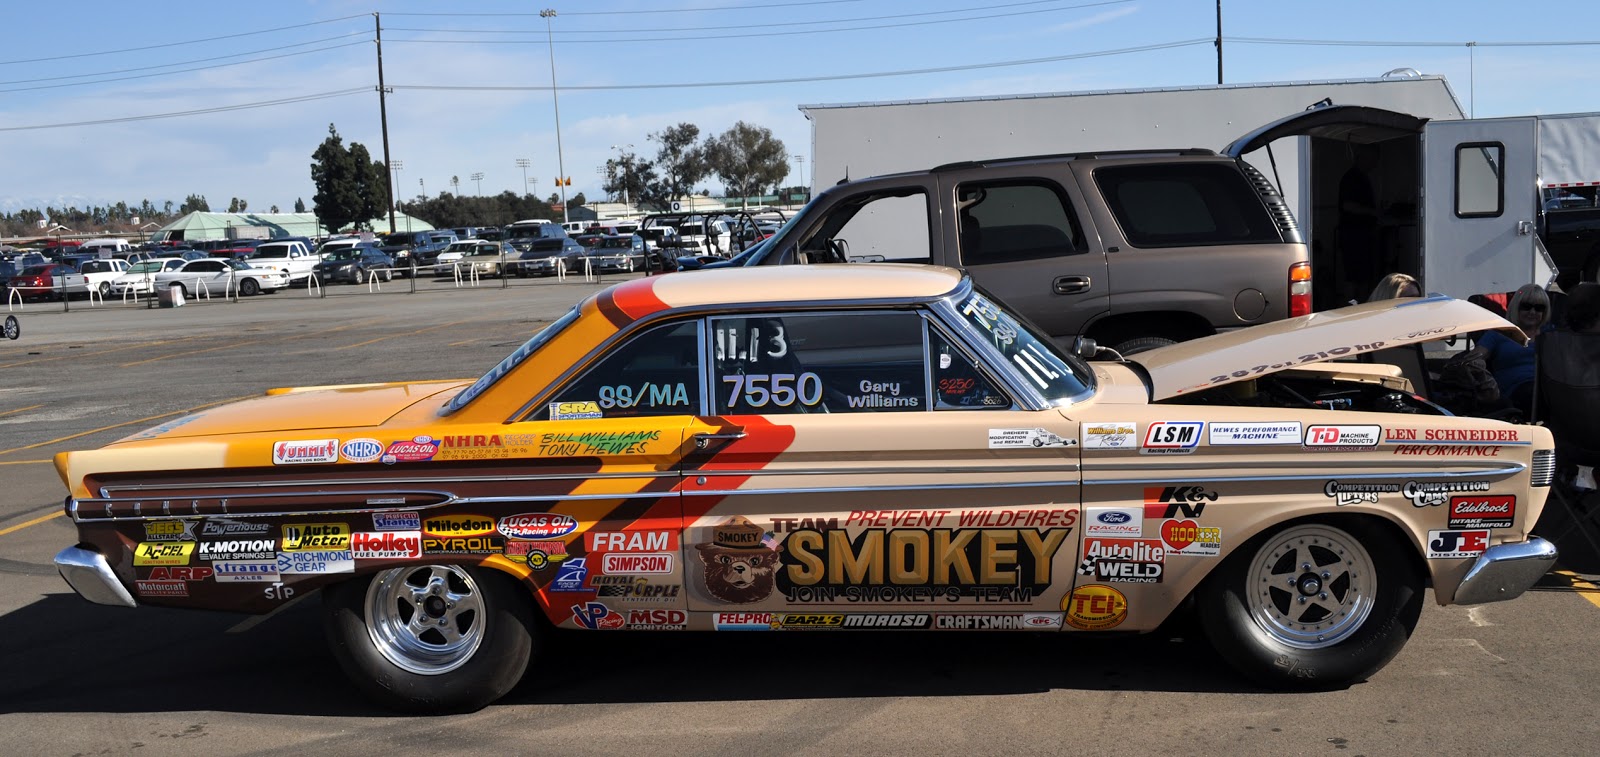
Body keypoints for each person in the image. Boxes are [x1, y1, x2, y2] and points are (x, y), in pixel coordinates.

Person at [1479, 283, 1553, 417]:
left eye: (1539, 308)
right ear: (1515, 307)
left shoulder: (1551, 333)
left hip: (1548, 387)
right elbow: (1475, 358)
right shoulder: (1499, 333)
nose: (1532, 312)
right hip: (1515, 390)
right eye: (1526, 306)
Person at [1338, 145, 1382, 303]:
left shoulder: (1363, 177)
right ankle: (1351, 305)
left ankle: (1362, 304)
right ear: (1362, 158)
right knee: (1353, 275)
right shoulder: (1352, 178)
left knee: (1363, 275)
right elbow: (1347, 205)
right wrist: (1373, 212)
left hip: (1362, 235)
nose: (1375, 163)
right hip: (1353, 235)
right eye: (1373, 159)